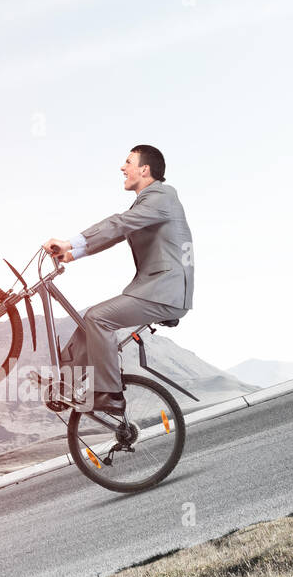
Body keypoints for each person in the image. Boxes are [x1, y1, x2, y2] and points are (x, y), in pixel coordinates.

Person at [44, 144, 193, 413]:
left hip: (166, 292)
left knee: (98, 318)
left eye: (128, 162)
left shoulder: (162, 196)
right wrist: (73, 254)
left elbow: (119, 224)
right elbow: (117, 233)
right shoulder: (150, 202)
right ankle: (66, 383)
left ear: (144, 169)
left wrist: (68, 242)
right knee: (88, 324)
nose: (122, 168)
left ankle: (110, 394)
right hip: (157, 289)